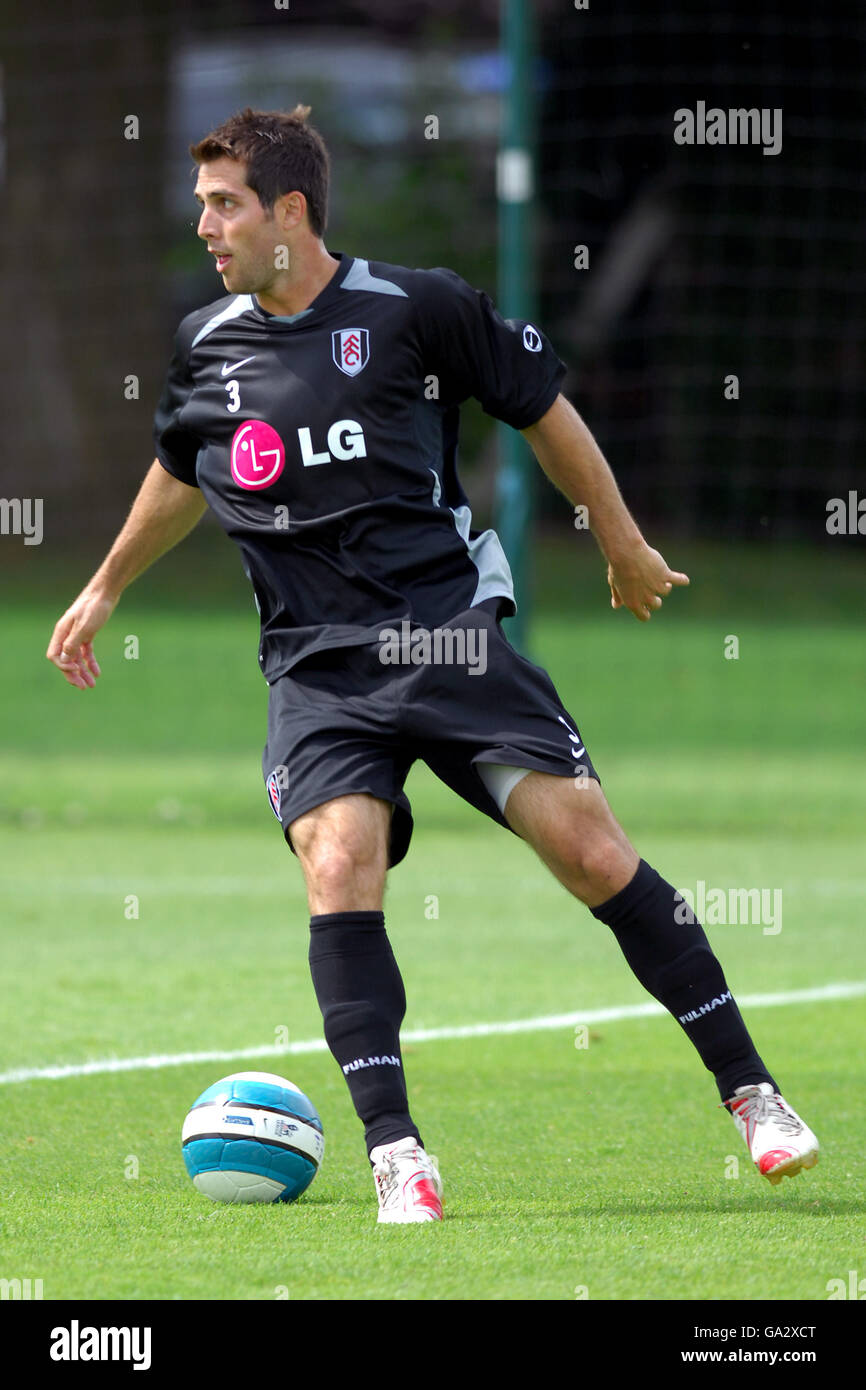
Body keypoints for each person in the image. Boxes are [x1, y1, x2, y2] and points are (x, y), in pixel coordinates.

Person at [47, 105, 818, 1223]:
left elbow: (540, 406)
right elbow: (181, 464)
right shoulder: (205, 343)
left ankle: (751, 1094)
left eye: (225, 203)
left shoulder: (417, 309)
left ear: (290, 212)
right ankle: (395, 1153)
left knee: (589, 850)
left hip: (445, 635)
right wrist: (108, 583)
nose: (205, 224)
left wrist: (617, 535)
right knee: (338, 860)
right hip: (315, 669)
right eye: (203, 201)